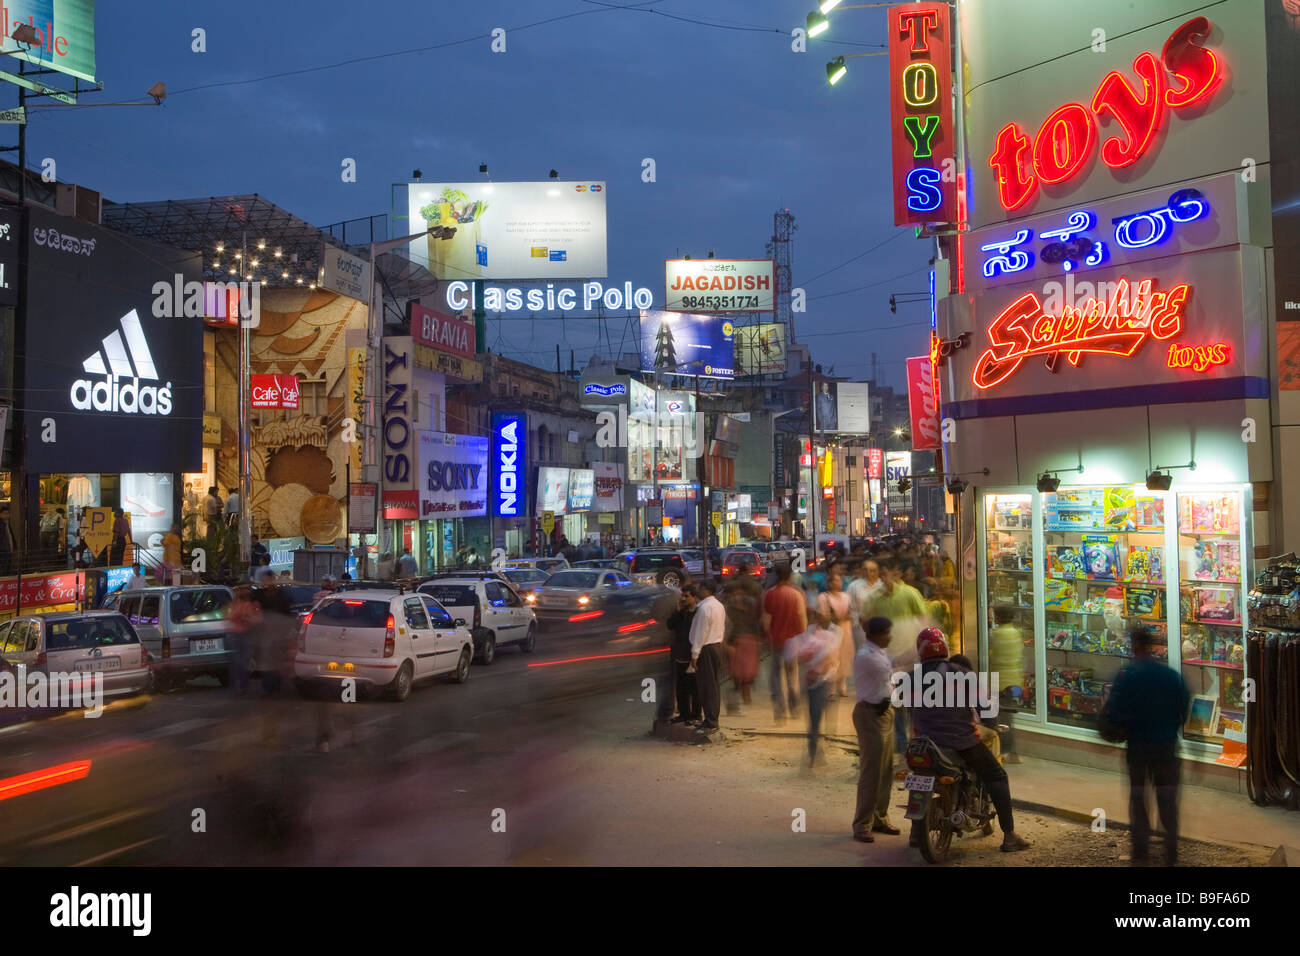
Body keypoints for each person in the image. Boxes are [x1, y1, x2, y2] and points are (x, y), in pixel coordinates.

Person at [908, 627, 1031, 853]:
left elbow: (905, 708)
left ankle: (916, 833)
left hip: (925, 744)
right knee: (997, 775)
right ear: (943, 646)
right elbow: (985, 708)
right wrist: (990, 723)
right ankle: (1010, 835)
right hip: (961, 742)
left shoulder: (911, 676)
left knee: (918, 776)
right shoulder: (962, 673)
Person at [1100, 627, 1191, 866]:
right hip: (1166, 747)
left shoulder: (1127, 675)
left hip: (1138, 748)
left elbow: (1115, 711)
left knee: (1139, 799)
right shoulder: (1170, 675)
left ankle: (1141, 853)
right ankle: (1171, 853)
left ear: (1135, 645)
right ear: (1151, 646)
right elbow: (1184, 706)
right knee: (1168, 801)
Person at [853, 616, 899, 842]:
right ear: (876, 635)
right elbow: (888, 675)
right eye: (887, 633)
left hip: (884, 713)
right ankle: (862, 824)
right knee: (871, 773)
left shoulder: (878, 652)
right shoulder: (867, 656)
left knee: (886, 770)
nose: (890, 637)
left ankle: (880, 817)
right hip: (870, 714)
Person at [784, 609, 841, 766]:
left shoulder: (826, 637)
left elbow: (832, 659)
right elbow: (790, 662)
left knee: (815, 718)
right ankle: (814, 752)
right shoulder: (800, 640)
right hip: (811, 683)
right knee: (814, 718)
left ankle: (814, 751)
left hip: (822, 682)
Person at [763, 562, 807, 721]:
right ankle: (794, 706)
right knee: (792, 674)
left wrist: (768, 637)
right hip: (793, 639)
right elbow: (802, 618)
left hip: (776, 639)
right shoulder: (796, 594)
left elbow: (766, 621)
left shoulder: (770, 594)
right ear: (789, 575)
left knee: (776, 674)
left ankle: (779, 708)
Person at [687, 580, 727, 731]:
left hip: (707, 648)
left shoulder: (704, 608)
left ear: (705, 589)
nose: (697, 590)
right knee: (713, 685)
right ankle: (711, 717)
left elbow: (700, 633)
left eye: (699, 588)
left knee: (707, 686)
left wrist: (695, 654)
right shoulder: (718, 606)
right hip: (716, 646)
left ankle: (710, 720)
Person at [988, 606, 1026, 762]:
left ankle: (1005, 752)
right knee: (1008, 717)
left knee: (1000, 719)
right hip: (1014, 681)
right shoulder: (1016, 633)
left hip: (1000, 682)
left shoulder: (997, 635)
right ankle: (1010, 752)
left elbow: (993, 657)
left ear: (998, 617)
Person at [817, 565, 854, 698]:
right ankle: (830, 689)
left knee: (844, 658)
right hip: (830, 632)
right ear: (829, 583)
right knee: (831, 659)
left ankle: (842, 687)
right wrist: (835, 618)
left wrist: (846, 617)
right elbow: (821, 616)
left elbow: (851, 613)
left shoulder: (846, 597)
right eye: (835, 581)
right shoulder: (823, 597)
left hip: (845, 630)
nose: (838, 583)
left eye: (839, 580)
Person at [723, 580, 761, 709]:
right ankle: (745, 694)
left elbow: (727, 626)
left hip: (740, 640)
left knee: (740, 670)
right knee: (744, 670)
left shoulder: (730, 606)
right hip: (745, 640)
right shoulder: (750, 603)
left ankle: (742, 694)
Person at [666, 586, 701, 724]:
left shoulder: (698, 613)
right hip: (680, 653)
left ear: (694, 597)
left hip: (692, 654)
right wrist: (678, 611)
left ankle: (696, 715)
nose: (683, 599)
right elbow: (670, 625)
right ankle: (684, 713)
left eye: (687, 596)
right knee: (681, 687)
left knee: (694, 687)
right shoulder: (681, 613)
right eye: (682, 596)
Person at [0, 503, 14, 576]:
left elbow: (10, 537)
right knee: (3, 571)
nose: (7, 515)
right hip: (3, 552)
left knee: (6, 570)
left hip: (7, 551)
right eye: (5, 514)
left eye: (8, 513)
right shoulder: (1, 524)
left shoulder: (6, 523)